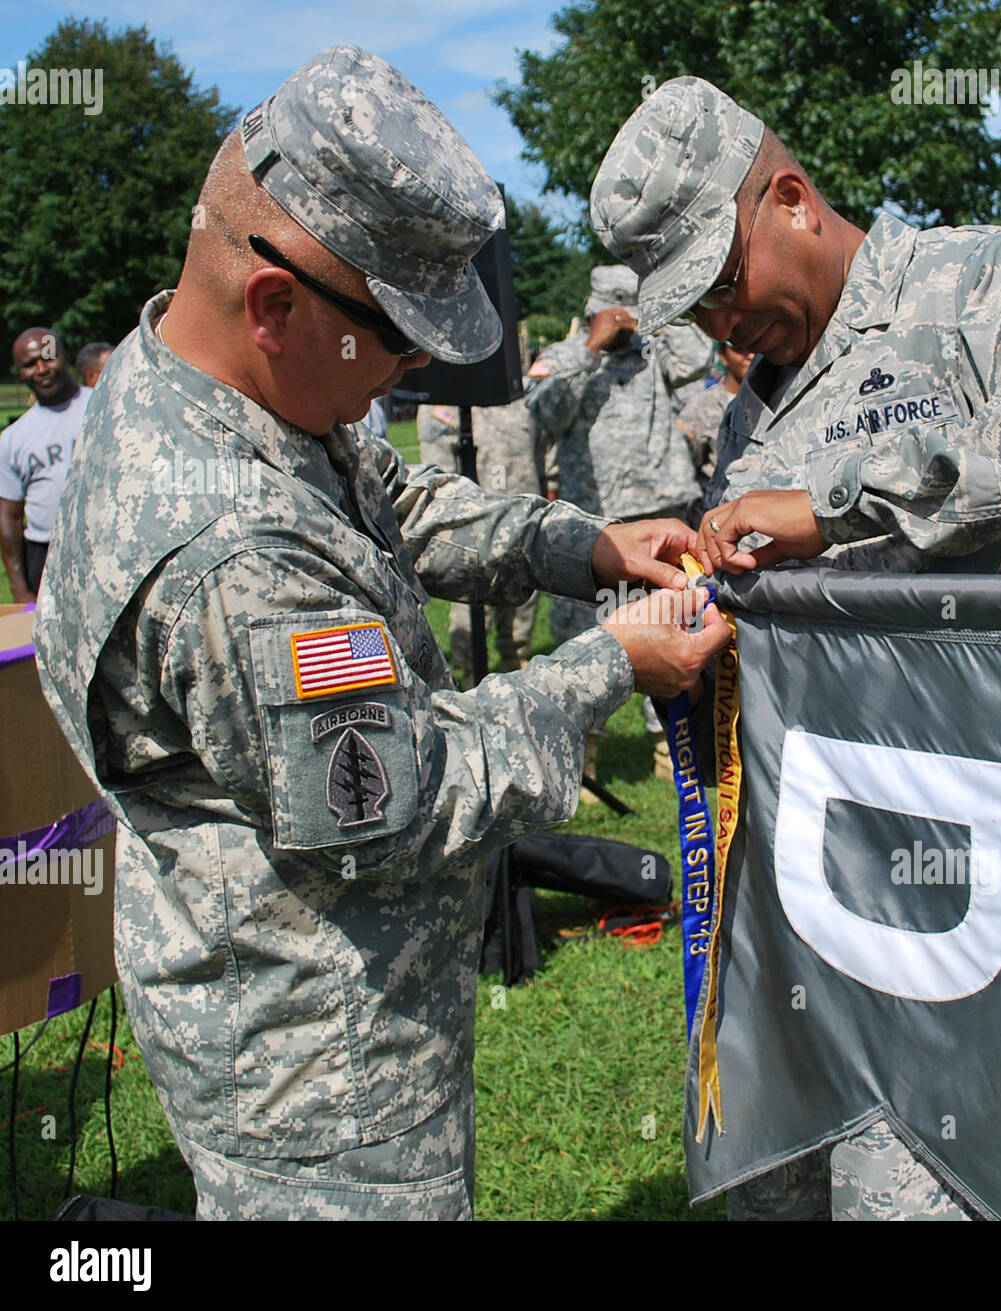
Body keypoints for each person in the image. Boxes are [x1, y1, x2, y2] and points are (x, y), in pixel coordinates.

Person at [33, 47, 729, 1222]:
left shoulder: (224, 391)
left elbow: (392, 505)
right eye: (400, 339)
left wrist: (586, 547)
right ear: (273, 303)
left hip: (321, 1002)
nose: (411, 372)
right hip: (316, 1070)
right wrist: (611, 661)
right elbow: (393, 806)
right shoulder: (231, 553)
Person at [590, 76, 1001, 1221]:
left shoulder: (985, 283)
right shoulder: (755, 396)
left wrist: (836, 501)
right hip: (798, 891)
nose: (719, 328)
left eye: (722, 285)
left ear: (788, 198)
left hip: (963, 891)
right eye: (691, 311)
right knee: (782, 1182)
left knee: (930, 1190)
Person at [526, 264, 713, 789]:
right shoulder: (567, 357)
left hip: (664, 512)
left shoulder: (655, 353)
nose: (623, 322)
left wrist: (661, 316)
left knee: (673, 626)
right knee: (582, 635)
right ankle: (583, 764)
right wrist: (590, 348)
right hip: (595, 526)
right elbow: (542, 414)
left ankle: (672, 752)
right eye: (616, 311)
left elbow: (700, 357)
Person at [418, 391, 543, 683]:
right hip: (472, 534)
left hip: (524, 524)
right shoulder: (440, 405)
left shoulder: (519, 393)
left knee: (521, 614)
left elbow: (541, 449)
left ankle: (517, 674)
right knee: (471, 614)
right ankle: (470, 679)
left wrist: (551, 484)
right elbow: (436, 475)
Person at [0, 328, 91, 600]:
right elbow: (9, 516)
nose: (41, 369)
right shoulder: (13, 438)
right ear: (19, 373)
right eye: (30, 364)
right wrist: (19, 588)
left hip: (109, 541)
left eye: (48, 357)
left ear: (65, 357)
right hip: (45, 552)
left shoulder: (105, 403)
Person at [675, 341, 756, 494]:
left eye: (754, 348)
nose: (750, 356)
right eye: (739, 349)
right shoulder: (703, 405)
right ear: (723, 357)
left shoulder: (778, 397)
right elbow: (684, 459)